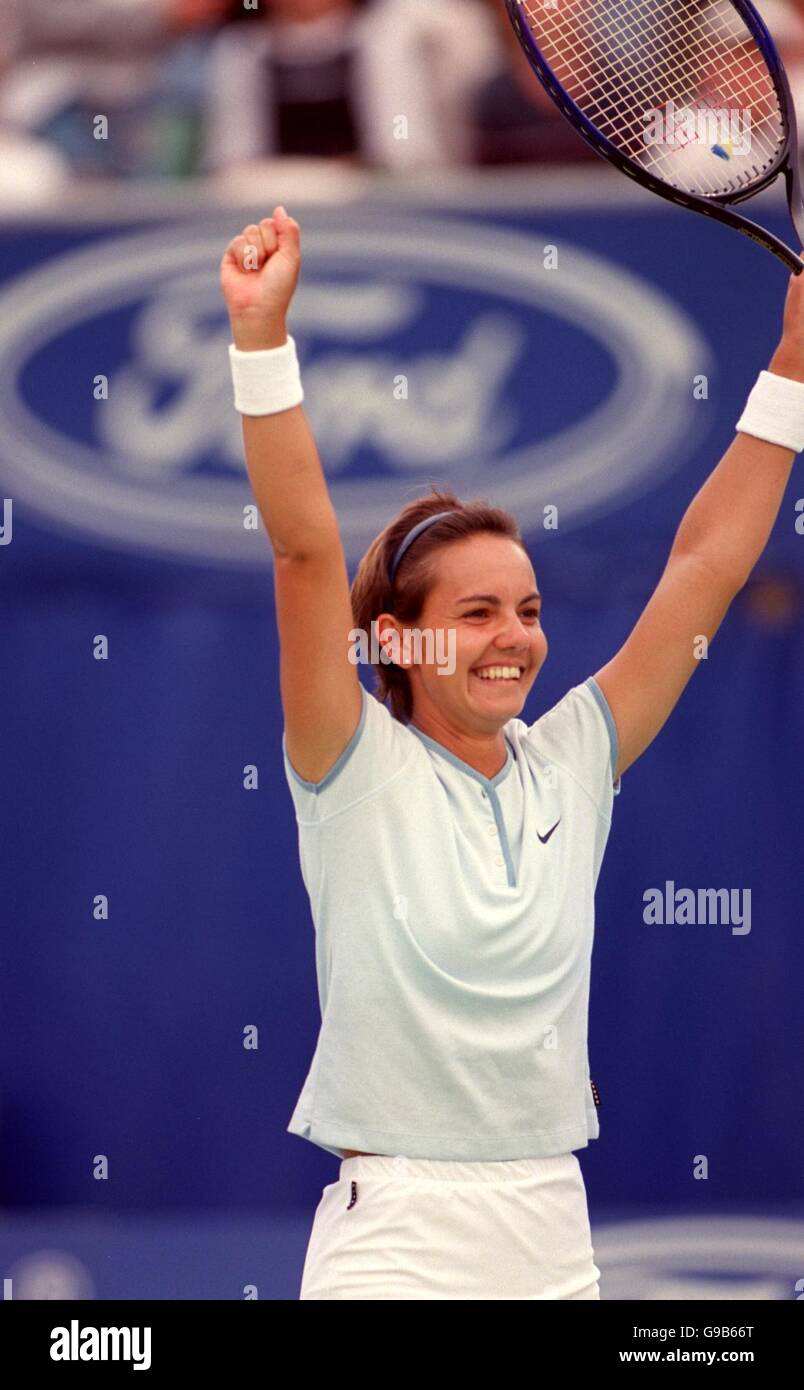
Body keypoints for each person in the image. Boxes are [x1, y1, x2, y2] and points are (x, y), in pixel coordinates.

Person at [220, 207, 804, 1299]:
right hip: (394, 1240)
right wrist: (261, 335)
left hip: (550, 1229)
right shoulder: (349, 759)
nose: (516, 637)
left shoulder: (574, 757)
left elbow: (706, 570)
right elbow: (305, 552)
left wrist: (791, 367)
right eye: (479, 611)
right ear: (396, 639)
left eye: (528, 608)